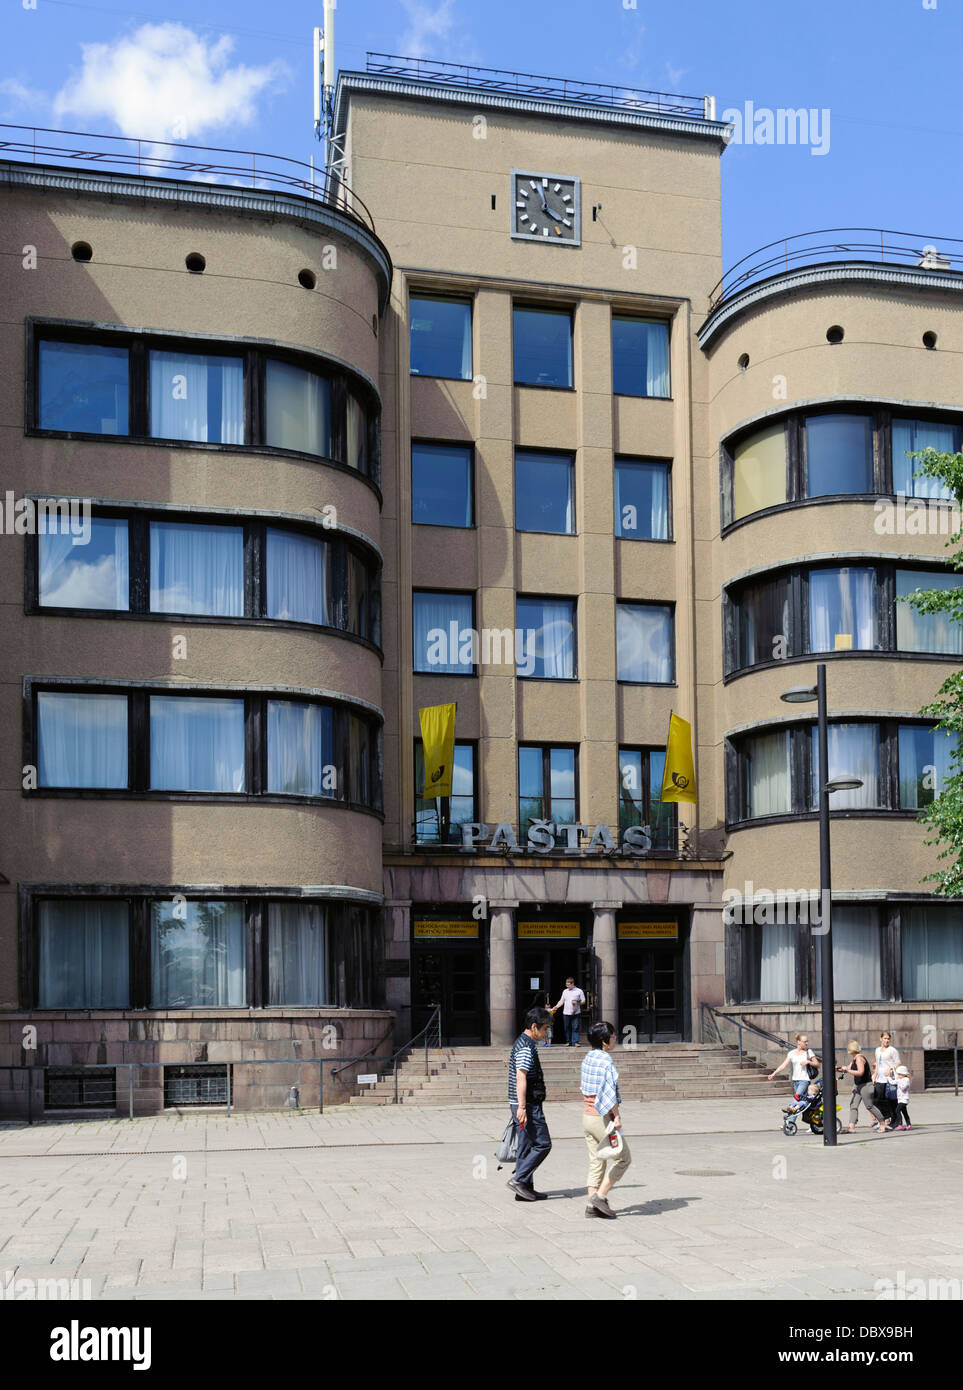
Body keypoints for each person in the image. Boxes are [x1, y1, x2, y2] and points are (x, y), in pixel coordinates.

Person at [580, 1020, 632, 1219]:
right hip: (602, 1119)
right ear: (604, 1041)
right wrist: (616, 1117)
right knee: (624, 1158)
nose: (614, 1038)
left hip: (587, 1116)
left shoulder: (588, 1058)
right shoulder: (606, 1060)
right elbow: (609, 1092)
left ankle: (591, 1207)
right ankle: (600, 1197)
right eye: (611, 1035)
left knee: (596, 1161)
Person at [507, 1007, 553, 1202]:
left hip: (523, 1103)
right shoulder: (525, 1047)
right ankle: (518, 1180)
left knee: (526, 1146)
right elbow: (521, 1077)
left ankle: (525, 1189)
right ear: (534, 1027)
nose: (546, 1034)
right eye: (545, 1029)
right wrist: (522, 1107)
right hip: (527, 1105)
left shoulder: (524, 1043)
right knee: (543, 1144)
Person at [838, 1039, 886, 1133]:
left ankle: (882, 1123)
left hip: (865, 1085)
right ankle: (851, 1127)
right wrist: (838, 1069)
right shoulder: (855, 1058)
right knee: (853, 1105)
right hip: (858, 1085)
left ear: (850, 1050)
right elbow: (847, 1068)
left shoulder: (859, 1058)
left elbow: (860, 1072)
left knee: (869, 1106)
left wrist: (847, 1070)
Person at [768, 1033, 821, 1100]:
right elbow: (783, 1065)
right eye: (805, 1042)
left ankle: (791, 1107)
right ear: (799, 1042)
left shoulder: (808, 1052)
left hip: (804, 1080)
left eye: (807, 1041)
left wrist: (808, 1062)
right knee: (802, 1099)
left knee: (797, 1096)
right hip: (795, 1080)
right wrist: (774, 1073)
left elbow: (817, 1064)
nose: (807, 1043)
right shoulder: (791, 1053)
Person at [873, 1031, 901, 1130]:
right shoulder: (877, 1050)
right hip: (880, 1079)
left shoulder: (892, 1050)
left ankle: (893, 1121)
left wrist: (890, 1068)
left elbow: (898, 1063)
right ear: (881, 1039)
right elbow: (877, 1064)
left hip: (889, 1079)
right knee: (876, 1100)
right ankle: (883, 1119)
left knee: (890, 1101)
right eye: (885, 1038)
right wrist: (874, 1076)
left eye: (888, 1039)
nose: (886, 1040)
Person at [552, 976, 586, 1046]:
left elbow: (584, 1001)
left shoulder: (579, 991)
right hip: (566, 1012)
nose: (567, 986)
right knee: (566, 1027)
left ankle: (575, 1042)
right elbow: (562, 1001)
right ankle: (568, 1041)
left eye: (568, 984)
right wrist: (557, 1006)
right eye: (566, 984)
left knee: (575, 1027)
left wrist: (577, 1002)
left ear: (572, 983)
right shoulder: (565, 991)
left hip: (575, 1012)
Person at [893, 1064, 912, 1130]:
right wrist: (888, 1077)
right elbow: (893, 1082)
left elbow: (903, 1088)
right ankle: (909, 1125)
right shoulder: (900, 1079)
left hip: (904, 1099)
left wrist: (899, 1082)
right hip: (900, 1099)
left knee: (897, 1110)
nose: (898, 1076)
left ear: (904, 1074)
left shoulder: (906, 1079)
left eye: (900, 1074)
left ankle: (900, 1124)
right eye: (898, 1074)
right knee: (904, 1112)